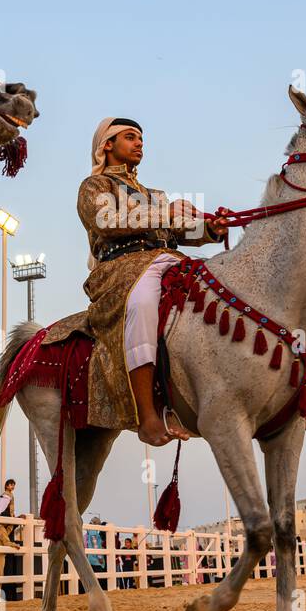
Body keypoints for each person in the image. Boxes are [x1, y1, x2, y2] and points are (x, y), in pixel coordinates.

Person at [72, 117, 227, 446]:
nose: (139, 143)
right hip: (122, 266)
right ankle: (148, 415)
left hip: (167, 258)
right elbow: (106, 221)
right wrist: (168, 214)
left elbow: (176, 232)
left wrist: (211, 228)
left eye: (141, 138)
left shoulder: (156, 195)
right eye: (130, 137)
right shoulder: (95, 186)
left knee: (216, 290)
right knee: (143, 303)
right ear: (108, 145)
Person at [0, 479, 20, 579]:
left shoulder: (1, 528)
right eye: (11, 485)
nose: (13, 487)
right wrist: (15, 545)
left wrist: (14, 521)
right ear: (7, 486)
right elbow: (6, 541)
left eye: (14, 485)